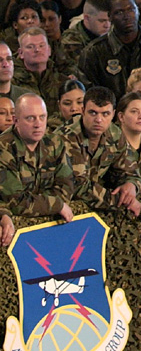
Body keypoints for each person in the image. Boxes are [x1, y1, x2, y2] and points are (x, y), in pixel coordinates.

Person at [0, 93, 74, 246]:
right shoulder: (4, 149)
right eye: (30, 118)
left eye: (42, 117)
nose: (38, 124)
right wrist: (56, 205)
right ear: (16, 120)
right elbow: (17, 202)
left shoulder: (54, 143)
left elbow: (67, 187)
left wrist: (42, 203)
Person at [61, 86, 141, 214]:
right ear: (83, 111)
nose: (99, 120)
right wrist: (119, 200)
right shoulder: (67, 137)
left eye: (105, 114)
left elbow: (131, 171)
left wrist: (132, 186)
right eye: (93, 113)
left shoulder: (114, 134)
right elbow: (78, 187)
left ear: (113, 114)